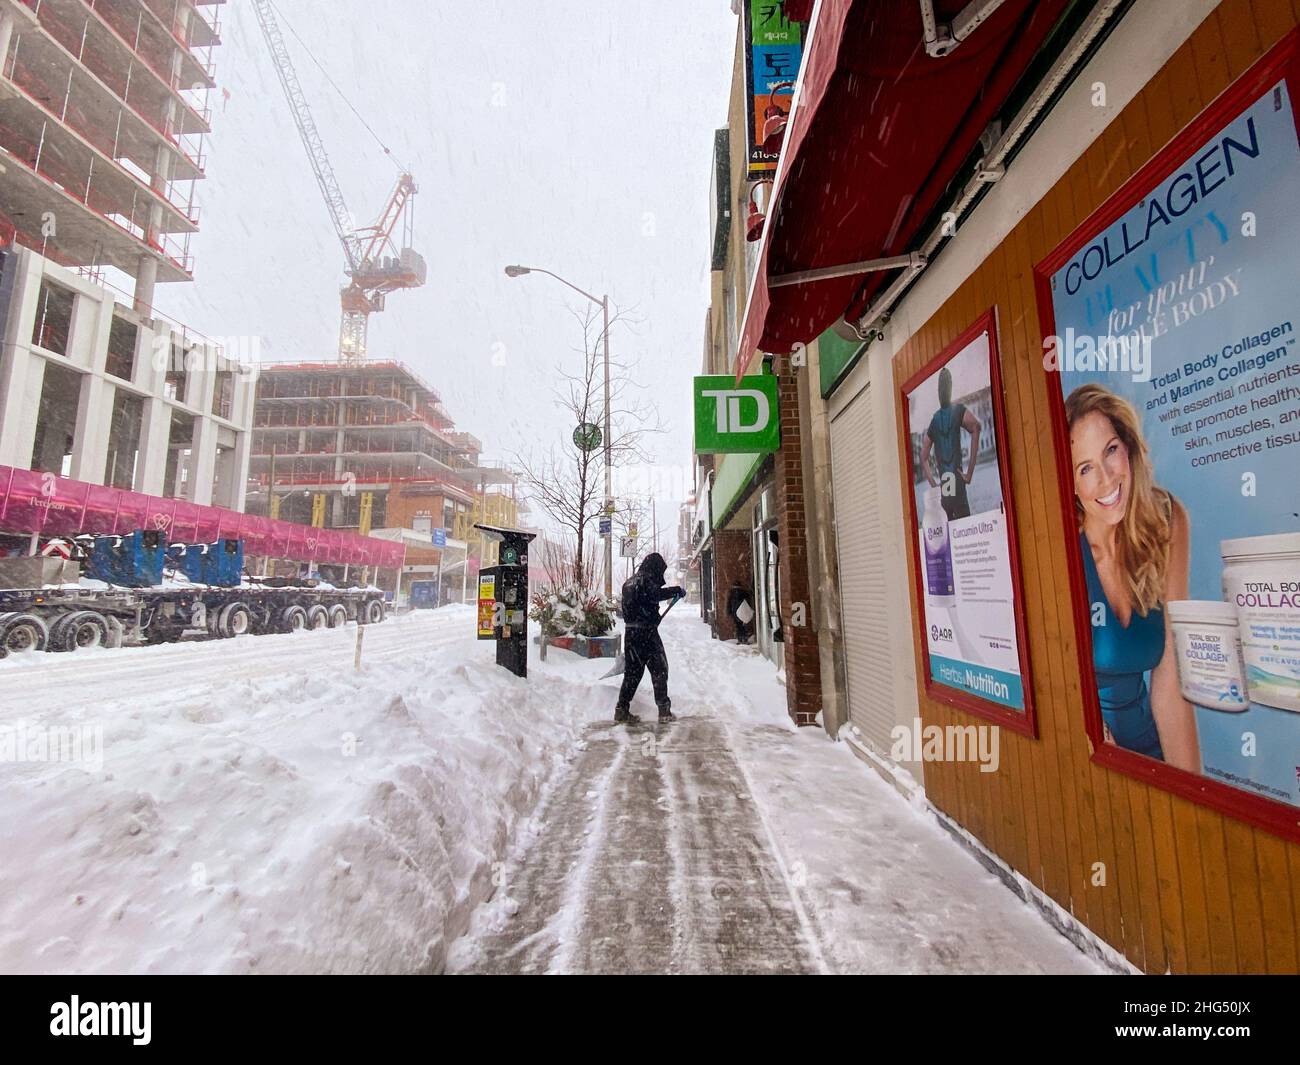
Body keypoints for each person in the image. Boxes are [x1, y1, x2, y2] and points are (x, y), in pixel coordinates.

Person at [1066, 383, 1199, 773]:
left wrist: (1190, 792)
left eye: (1110, 450)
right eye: (1085, 468)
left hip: (1150, 749)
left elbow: (1172, 678)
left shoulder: (1166, 519)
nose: (1106, 479)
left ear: (1128, 448)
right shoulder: (1060, 548)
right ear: (1071, 484)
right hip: (1088, 756)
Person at [614, 552, 684, 724]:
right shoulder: (646, 581)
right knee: (659, 669)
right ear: (655, 567)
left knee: (632, 674)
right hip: (647, 634)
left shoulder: (628, 583)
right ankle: (664, 711)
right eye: (660, 571)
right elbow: (654, 594)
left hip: (631, 634)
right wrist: (676, 590)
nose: (661, 576)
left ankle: (621, 710)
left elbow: (637, 604)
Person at [920, 366, 981, 520]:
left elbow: (924, 457)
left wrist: (934, 486)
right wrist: (969, 474)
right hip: (958, 482)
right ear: (950, 388)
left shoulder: (935, 420)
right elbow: (976, 427)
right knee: (966, 532)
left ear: (938, 391)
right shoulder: (957, 411)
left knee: (951, 534)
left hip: (945, 487)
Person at [726, 578, 754, 644]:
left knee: (738, 626)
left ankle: (740, 639)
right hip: (743, 611)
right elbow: (749, 601)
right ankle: (745, 638)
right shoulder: (744, 592)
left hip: (735, 612)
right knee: (744, 625)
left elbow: (729, 604)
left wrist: (729, 612)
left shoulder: (731, 593)